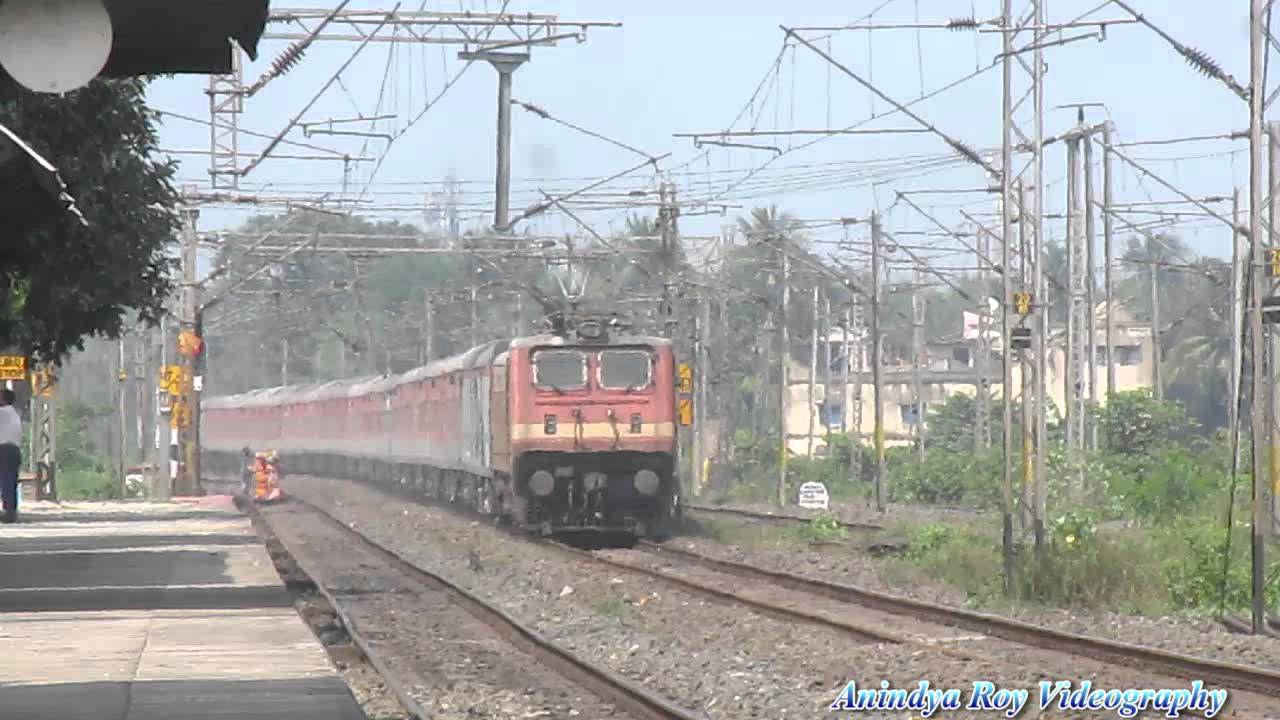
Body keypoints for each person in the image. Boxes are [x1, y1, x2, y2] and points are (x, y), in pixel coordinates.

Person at [0, 388, 22, 524]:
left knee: (6, 482)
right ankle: (10, 512)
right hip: (13, 450)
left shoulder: (4, 412)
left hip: (4, 450)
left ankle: (9, 513)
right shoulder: (14, 413)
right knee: (10, 482)